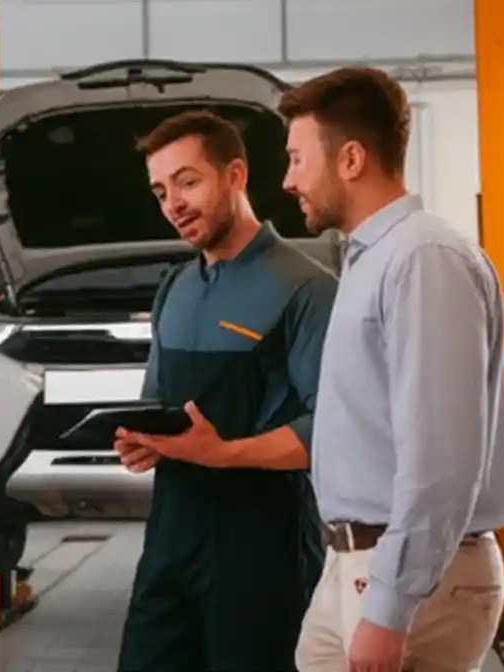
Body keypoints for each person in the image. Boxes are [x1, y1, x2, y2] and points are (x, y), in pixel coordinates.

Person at [280, 67, 504, 672]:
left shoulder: (423, 258)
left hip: (411, 578)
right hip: (355, 562)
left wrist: (389, 609)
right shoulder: (372, 259)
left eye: (298, 159)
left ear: (351, 159)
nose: (288, 180)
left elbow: (442, 461)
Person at [112, 109, 339, 671]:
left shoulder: (307, 288)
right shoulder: (176, 288)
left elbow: (333, 431)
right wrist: (144, 440)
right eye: (161, 192)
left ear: (236, 175)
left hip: (262, 547)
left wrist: (223, 453)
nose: (173, 204)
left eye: (188, 182)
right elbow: (157, 404)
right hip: (171, 538)